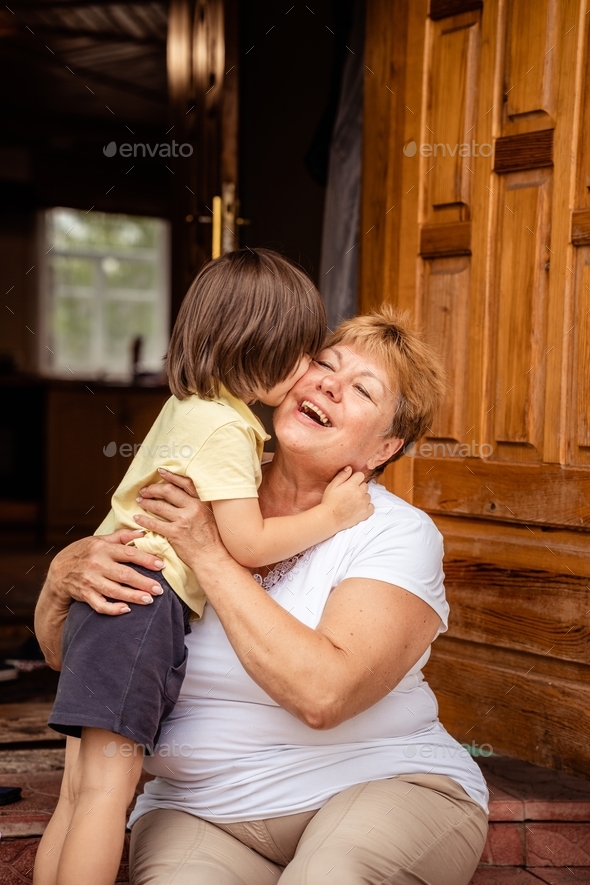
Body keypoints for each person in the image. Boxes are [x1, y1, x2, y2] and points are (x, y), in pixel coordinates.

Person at [35, 306, 489, 885]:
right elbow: (79, 662)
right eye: (325, 364)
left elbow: (324, 696)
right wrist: (60, 582)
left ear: (383, 448)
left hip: (382, 780)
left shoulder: (397, 532)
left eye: (361, 390)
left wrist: (209, 555)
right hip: (201, 810)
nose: (329, 383)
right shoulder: (199, 484)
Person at [36, 249, 372, 885]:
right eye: (302, 351)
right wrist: (333, 516)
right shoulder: (225, 428)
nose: (308, 370)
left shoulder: (183, 407)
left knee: (77, 793)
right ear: (259, 346)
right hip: (139, 607)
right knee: (109, 795)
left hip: (102, 602)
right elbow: (244, 544)